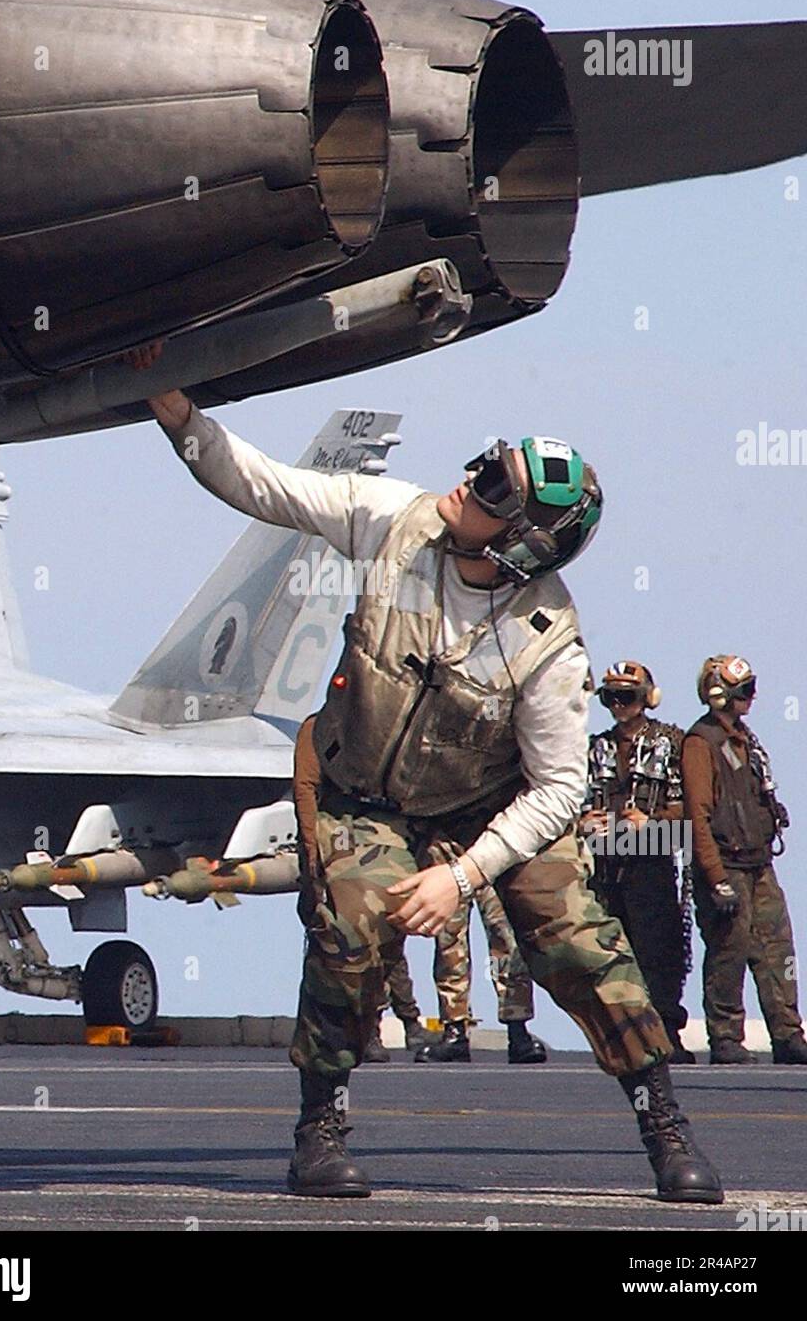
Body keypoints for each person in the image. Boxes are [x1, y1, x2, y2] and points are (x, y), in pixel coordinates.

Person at [150, 387, 723, 1206]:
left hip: (492, 807)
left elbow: (560, 787)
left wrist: (462, 878)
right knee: (351, 928)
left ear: (524, 542)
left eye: (495, 487)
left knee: (582, 945)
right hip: (368, 798)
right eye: (487, 464)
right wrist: (178, 415)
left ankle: (666, 1127)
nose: (468, 479)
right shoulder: (397, 521)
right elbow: (263, 484)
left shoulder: (547, 639)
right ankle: (320, 1130)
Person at [682, 656, 807, 1066]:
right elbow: (697, 817)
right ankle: (725, 1038)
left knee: (777, 951)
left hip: (759, 864)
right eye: (745, 690)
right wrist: (715, 876)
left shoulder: (745, 739)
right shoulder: (702, 743)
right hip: (727, 865)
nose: (751, 698)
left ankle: (788, 1035)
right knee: (728, 951)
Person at [579, 661, 694, 1064]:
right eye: (611, 697)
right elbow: (570, 802)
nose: (618, 705)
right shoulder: (595, 748)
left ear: (647, 698)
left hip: (652, 865)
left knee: (659, 952)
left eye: (627, 696)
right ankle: (621, 1039)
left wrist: (653, 822)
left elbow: (691, 814)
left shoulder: (672, 743)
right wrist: (583, 823)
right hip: (606, 866)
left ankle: (667, 1033)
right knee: (609, 954)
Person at [293, 716, 426, 1063]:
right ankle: (378, 1029)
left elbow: (305, 791)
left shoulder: (324, 726)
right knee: (375, 945)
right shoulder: (391, 721)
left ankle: (375, 1030)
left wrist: (311, 862)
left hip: (354, 857)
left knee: (362, 948)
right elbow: (306, 790)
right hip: (371, 854)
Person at [416, 886, 547, 1064]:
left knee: (505, 945)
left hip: (493, 864)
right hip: (449, 866)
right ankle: (455, 1031)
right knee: (449, 949)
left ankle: (517, 1030)